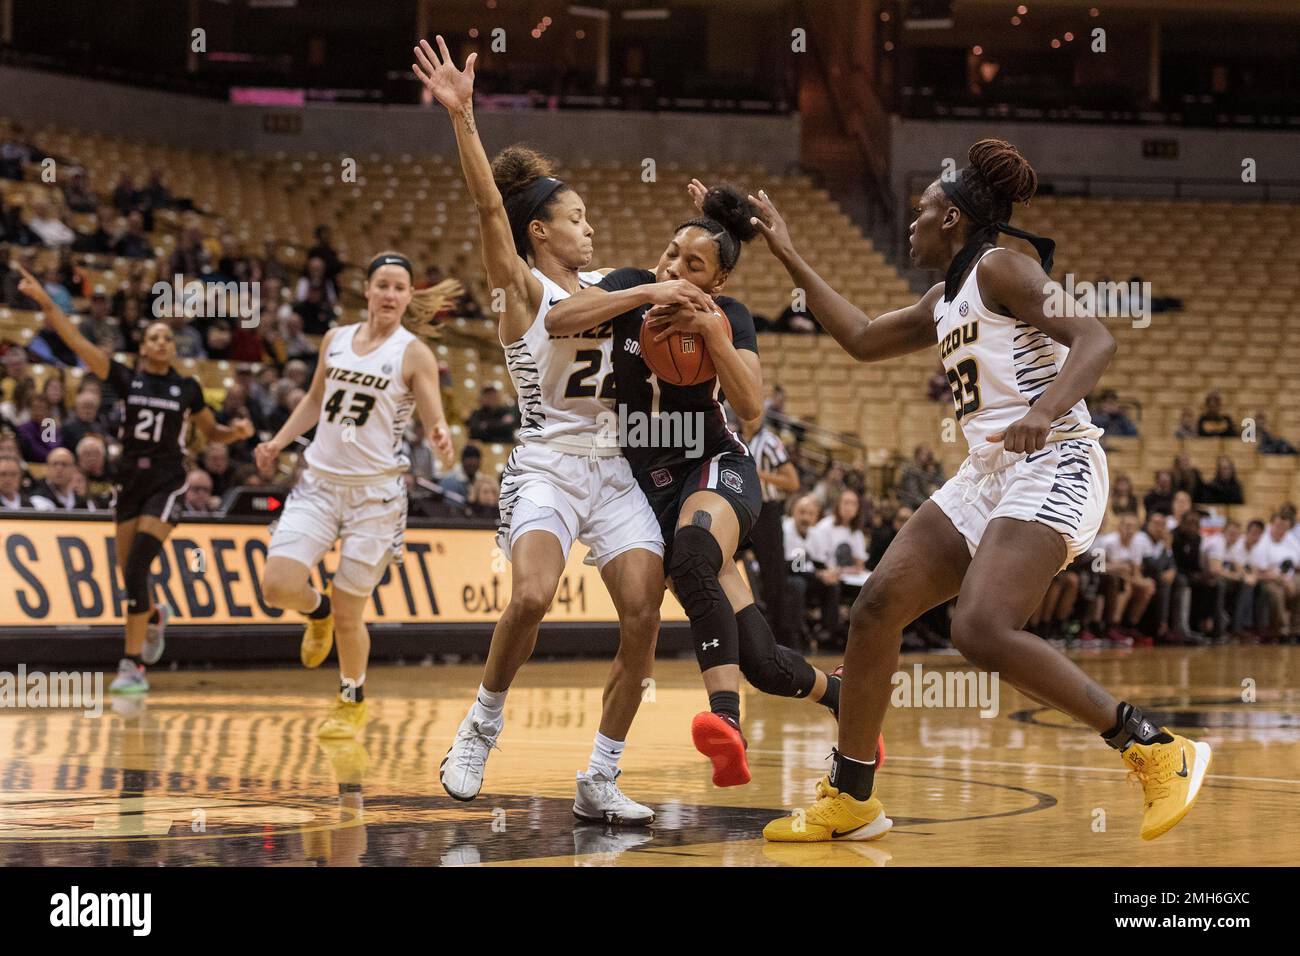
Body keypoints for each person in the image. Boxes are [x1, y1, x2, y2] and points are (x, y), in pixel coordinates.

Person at [752, 138, 1210, 843]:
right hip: (989, 471)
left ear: (953, 218)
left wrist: (1042, 410)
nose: (911, 221)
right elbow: (862, 339)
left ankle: (1153, 747)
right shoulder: (946, 297)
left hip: (1056, 459)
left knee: (979, 628)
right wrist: (787, 252)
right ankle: (852, 796)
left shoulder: (1004, 266)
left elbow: (1095, 339)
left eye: (923, 209)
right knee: (875, 608)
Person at [417, 37, 669, 824]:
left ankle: (599, 777)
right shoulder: (518, 290)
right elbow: (490, 205)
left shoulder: (608, 284)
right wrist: (464, 117)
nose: (589, 228)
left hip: (616, 467)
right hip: (549, 463)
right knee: (529, 596)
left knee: (642, 616)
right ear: (539, 233)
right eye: (576, 218)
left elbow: (663, 293)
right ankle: (481, 725)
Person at [546, 177, 847, 788]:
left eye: (693, 263)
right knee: (762, 663)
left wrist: (710, 330)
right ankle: (843, 697)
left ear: (718, 282)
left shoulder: (730, 316)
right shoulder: (632, 285)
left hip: (713, 464)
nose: (674, 266)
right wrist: (645, 291)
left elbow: (753, 407)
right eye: (670, 254)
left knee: (691, 552)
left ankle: (724, 722)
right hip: (649, 486)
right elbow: (558, 318)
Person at [16, 265, 253, 693]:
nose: (161, 342)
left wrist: (234, 433)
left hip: (168, 479)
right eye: (153, 337)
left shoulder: (188, 388)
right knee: (130, 574)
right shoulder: (127, 378)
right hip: (129, 479)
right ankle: (156, 617)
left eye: (167, 337)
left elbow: (212, 431)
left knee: (140, 561)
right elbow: (77, 342)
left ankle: (132, 664)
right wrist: (47, 303)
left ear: (172, 346)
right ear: (143, 347)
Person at [255, 250, 456, 737]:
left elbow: (434, 416)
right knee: (277, 584)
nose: (389, 294)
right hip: (319, 484)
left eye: (399, 287)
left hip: (376, 497)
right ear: (366, 290)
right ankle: (314, 612)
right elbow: (314, 400)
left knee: (352, 611)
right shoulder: (335, 339)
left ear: (409, 297)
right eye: (382, 284)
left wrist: (441, 436)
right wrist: (277, 441)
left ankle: (351, 698)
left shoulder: (413, 352)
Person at [740, 414, 799, 646]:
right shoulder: (736, 438)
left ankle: (783, 639)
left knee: (774, 576)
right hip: (744, 511)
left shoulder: (769, 441)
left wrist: (759, 475)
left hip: (766, 513)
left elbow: (793, 482)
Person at [1095, 514, 1156, 646]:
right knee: (1126, 585)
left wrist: (1143, 582)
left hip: (1125, 579)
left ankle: (1130, 626)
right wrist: (1119, 566)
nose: (1130, 530)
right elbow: (1096, 566)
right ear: (1119, 527)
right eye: (1127, 526)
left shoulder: (1137, 544)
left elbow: (1135, 572)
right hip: (1103, 579)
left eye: (1134, 527)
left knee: (1146, 587)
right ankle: (1113, 625)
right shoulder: (1106, 541)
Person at [1248, 514, 1300, 642]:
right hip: (1268, 579)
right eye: (1278, 527)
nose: (1281, 531)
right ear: (1271, 525)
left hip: (1289, 577)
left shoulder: (1290, 540)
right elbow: (1259, 572)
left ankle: (1296, 630)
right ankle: (1280, 631)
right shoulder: (1262, 542)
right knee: (1276, 593)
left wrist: (1289, 579)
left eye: (1284, 528)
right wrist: (1282, 580)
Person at [895, 444, 945, 510]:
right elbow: (913, 494)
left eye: (929, 455)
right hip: (909, 504)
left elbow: (943, 485)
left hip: (924, 503)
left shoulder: (931, 469)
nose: (927, 457)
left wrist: (937, 468)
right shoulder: (910, 470)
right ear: (917, 455)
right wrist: (930, 504)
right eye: (924, 454)